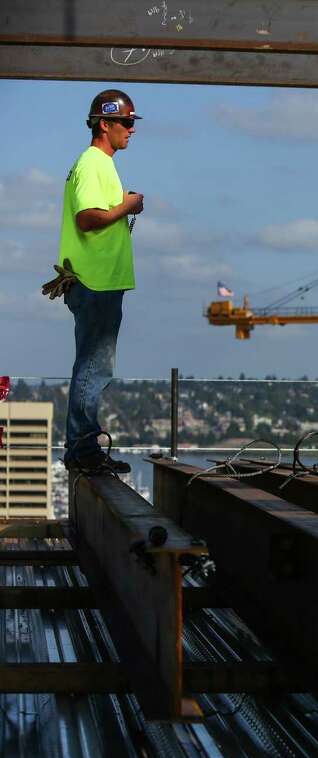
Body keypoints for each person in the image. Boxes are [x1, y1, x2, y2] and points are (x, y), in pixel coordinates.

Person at [58, 89, 144, 473]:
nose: (131, 129)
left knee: (93, 365)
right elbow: (87, 217)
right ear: (104, 124)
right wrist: (128, 205)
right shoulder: (94, 163)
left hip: (96, 280)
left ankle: (82, 447)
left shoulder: (98, 164)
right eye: (125, 122)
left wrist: (122, 203)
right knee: (94, 366)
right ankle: (83, 449)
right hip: (96, 281)